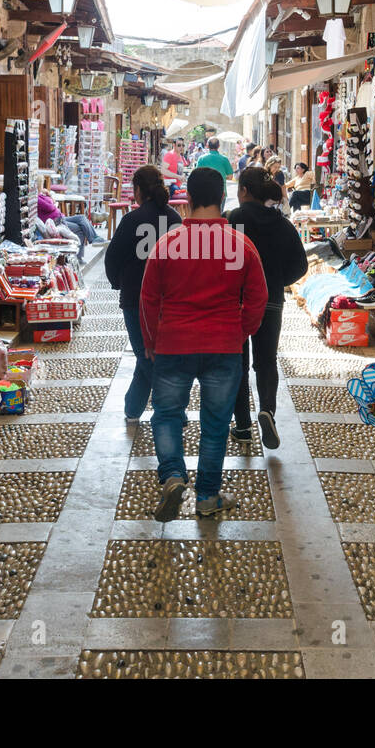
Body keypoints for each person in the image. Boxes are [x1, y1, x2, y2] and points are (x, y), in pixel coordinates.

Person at [140, 167, 267, 519]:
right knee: (215, 425)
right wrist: (242, 331)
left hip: (173, 344)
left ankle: (173, 476)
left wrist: (151, 339)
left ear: (188, 200)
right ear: (223, 199)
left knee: (166, 416)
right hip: (224, 346)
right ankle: (207, 498)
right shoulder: (240, 245)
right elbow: (258, 297)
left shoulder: (167, 244)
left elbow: (148, 298)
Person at [228, 167, 307, 449]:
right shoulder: (281, 222)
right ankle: (267, 410)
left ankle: (242, 426)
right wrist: (274, 283)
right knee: (266, 361)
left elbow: (223, 258)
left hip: (237, 302)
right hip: (272, 302)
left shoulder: (234, 219)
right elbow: (301, 265)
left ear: (245, 191)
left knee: (237, 363)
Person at [106, 165, 182, 423]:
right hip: (168, 300)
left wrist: (118, 283)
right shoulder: (174, 220)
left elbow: (112, 258)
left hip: (135, 299)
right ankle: (133, 408)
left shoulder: (132, 220)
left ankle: (170, 409)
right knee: (152, 355)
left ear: (138, 190)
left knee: (146, 355)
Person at [38, 187, 105, 261]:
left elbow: (52, 202)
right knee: (79, 228)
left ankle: (94, 238)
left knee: (81, 217)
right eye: (41, 185)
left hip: (61, 218)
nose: (42, 187)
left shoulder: (42, 195)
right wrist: (53, 203)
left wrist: (49, 196)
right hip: (55, 222)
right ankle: (79, 257)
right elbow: (50, 207)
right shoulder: (37, 198)